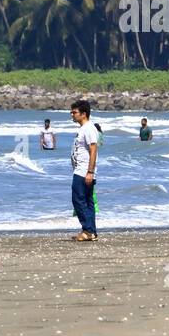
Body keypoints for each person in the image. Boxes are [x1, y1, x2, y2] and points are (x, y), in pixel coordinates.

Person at [69, 99, 99, 241]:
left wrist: (90, 172)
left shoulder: (89, 128)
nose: (72, 115)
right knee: (87, 201)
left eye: (74, 112)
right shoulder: (83, 129)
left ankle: (87, 230)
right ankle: (90, 231)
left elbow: (93, 150)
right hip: (81, 170)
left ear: (84, 114)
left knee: (78, 200)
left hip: (83, 171)